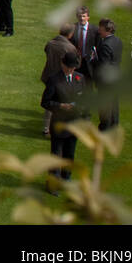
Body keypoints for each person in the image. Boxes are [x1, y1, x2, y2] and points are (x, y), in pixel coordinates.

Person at [41, 51, 88, 180]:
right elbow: (45, 102)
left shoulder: (80, 79)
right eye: (68, 67)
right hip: (59, 124)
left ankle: (66, 178)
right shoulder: (54, 80)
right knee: (56, 155)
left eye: (73, 68)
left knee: (70, 154)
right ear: (63, 64)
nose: (70, 70)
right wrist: (60, 106)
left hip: (74, 125)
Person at [41, 23, 77, 136]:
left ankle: (46, 128)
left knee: (50, 104)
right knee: (62, 104)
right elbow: (75, 62)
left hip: (48, 75)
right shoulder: (70, 48)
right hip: (61, 77)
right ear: (70, 34)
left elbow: (46, 52)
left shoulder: (50, 43)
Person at [94, 18, 122, 131]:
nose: (99, 31)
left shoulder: (105, 45)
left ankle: (104, 128)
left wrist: (94, 59)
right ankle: (114, 126)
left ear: (107, 30)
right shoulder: (118, 41)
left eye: (100, 29)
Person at [71, 6, 99, 80]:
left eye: (84, 16)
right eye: (80, 16)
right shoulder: (72, 28)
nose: (82, 18)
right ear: (77, 16)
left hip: (88, 63)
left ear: (88, 17)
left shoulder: (95, 30)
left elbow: (98, 46)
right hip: (76, 61)